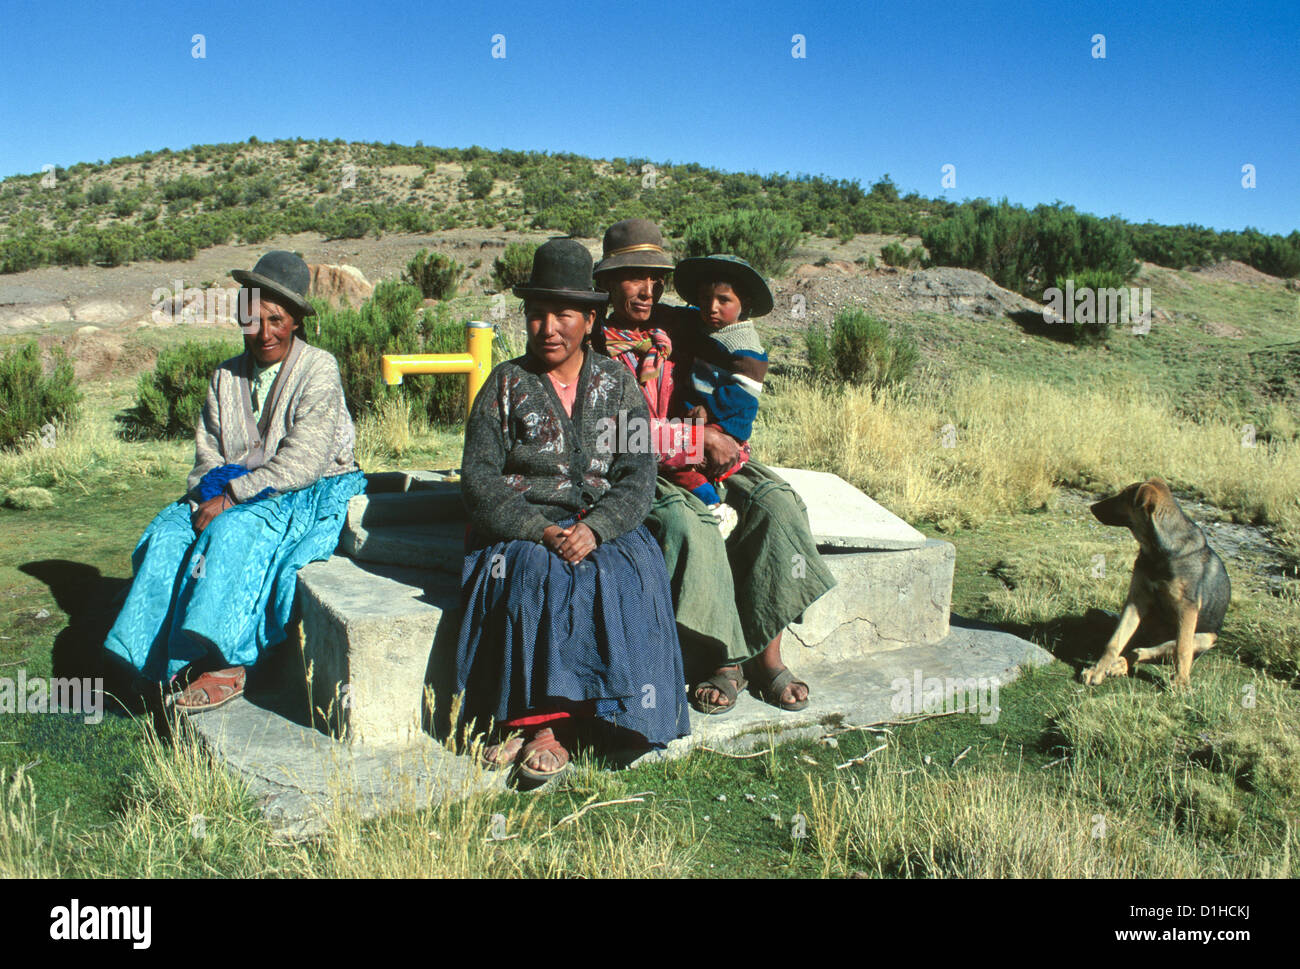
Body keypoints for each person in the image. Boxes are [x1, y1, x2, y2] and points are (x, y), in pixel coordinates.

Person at [452, 238, 690, 784]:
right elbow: (479, 480)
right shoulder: (505, 384)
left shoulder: (617, 383)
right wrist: (538, 528)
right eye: (537, 315)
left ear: (589, 318)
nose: (548, 328)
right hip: (523, 530)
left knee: (626, 571)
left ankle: (609, 711)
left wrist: (598, 527)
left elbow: (638, 474)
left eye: (563, 314)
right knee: (536, 574)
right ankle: (544, 724)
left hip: (600, 525)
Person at [592, 219, 836, 715]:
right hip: (640, 469)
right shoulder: (591, 343)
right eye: (633, 277)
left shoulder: (679, 326)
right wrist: (695, 437)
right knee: (694, 524)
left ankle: (767, 656)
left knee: (776, 505)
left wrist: (724, 429)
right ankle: (724, 658)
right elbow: (607, 436)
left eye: (656, 277)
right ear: (608, 282)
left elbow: (739, 346)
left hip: (707, 455)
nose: (647, 289)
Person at [104, 251, 365, 710]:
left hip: (300, 489)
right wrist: (210, 492)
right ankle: (154, 660)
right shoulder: (224, 375)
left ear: (297, 322)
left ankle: (227, 660)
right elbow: (208, 454)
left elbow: (303, 462)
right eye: (254, 319)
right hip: (228, 487)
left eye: (277, 319)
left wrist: (231, 497)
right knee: (166, 534)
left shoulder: (318, 369)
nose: (264, 333)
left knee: (233, 532)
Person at [663, 254, 773, 538]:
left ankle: (714, 506)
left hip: (725, 426)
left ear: (744, 305)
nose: (712, 307)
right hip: (701, 419)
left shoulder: (744, 346)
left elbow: (742, 398)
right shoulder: (707, 327)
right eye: (705, 298)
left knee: (682, 464)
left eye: (724, 300)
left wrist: (709, 419)